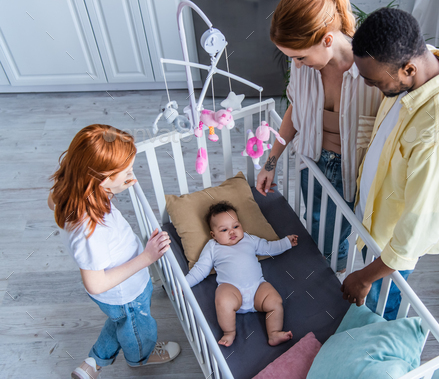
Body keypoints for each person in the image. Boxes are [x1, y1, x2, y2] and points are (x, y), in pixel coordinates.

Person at [341, 8, 439, 320]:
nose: (372, 89)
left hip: (391, 248)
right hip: (374, 221)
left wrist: (364, 277)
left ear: (408, 69)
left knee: (377, 313)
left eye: (375, 82)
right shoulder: (419, 70)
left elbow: (418, 228)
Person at [256, 0, 382, 277]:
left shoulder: (371, 74)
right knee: (315, 223)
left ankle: (328, 274)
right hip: (311, 160)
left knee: (335, 233)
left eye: (300, 57)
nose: (296, 64)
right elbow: (294, 110)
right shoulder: (303, 64)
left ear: (327, 40)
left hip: (353, 171)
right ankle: (328, 265)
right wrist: (270, 162)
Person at [49, 125, 180, 379]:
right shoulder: (90, 229)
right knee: (138, 328)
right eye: (127, 172)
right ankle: (140, 357)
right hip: (124, 292)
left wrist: (117, 186)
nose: (132, 175)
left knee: (121, 322)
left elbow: (51, 200)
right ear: (101, 179)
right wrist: (147, 258)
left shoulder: (69, 190)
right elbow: (96, 284)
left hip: (117, 298)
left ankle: (94, 362)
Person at [186, 202, 298, 347]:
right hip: (233, 291)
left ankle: (274, 332)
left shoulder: (249, 239)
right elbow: (201, 269)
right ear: (213, 235)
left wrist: (286, 243)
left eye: (236, 226)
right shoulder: (213, 247)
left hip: (258, 289)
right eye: (224, 230)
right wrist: (183, 284)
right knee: (222, 299)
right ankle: (229, 332)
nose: (232, 232)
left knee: (275, 301)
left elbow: (268, 247)